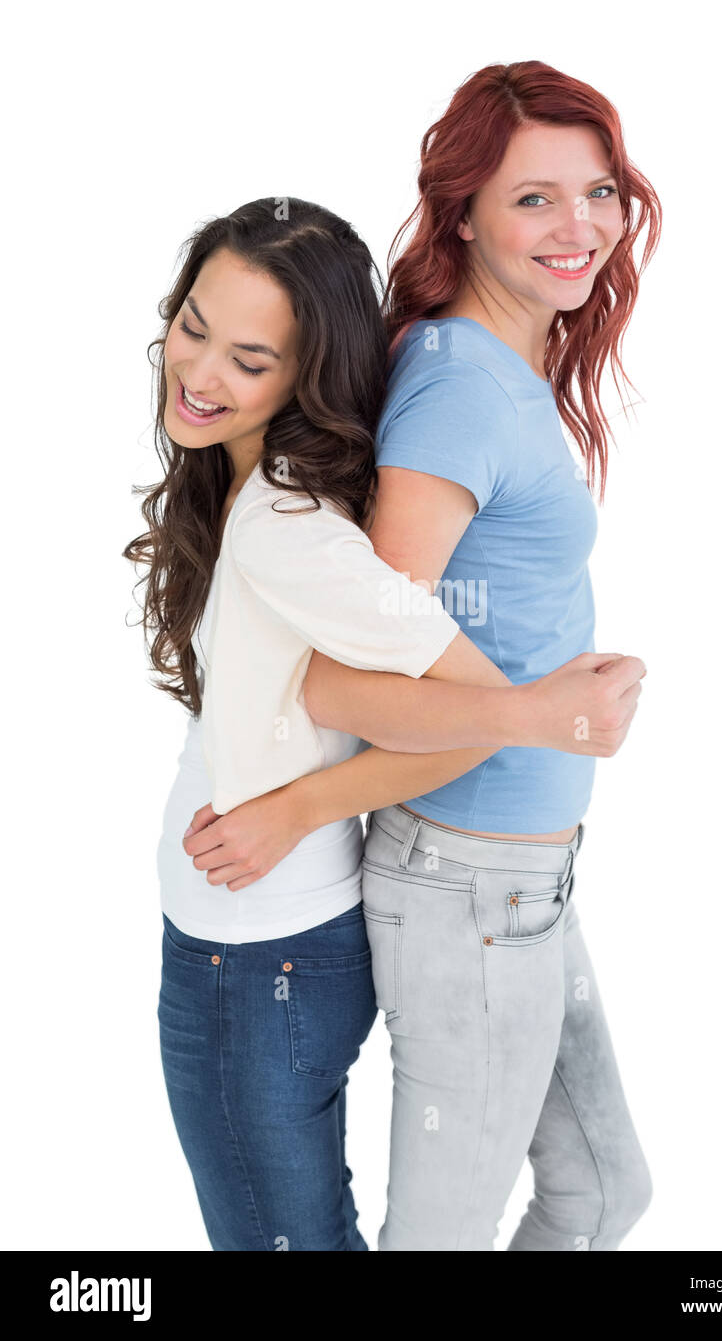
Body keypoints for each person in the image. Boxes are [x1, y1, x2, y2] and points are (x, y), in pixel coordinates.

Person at [188, 61, 661, 1251]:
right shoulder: (455, 393)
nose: (581, 226)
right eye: (532, 199)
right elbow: (346, 677)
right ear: (461, 214)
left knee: (603, 1191)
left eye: (597, 190)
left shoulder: (502, 368)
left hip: (520, 879)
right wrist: (541, 717)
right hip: (466, 884)